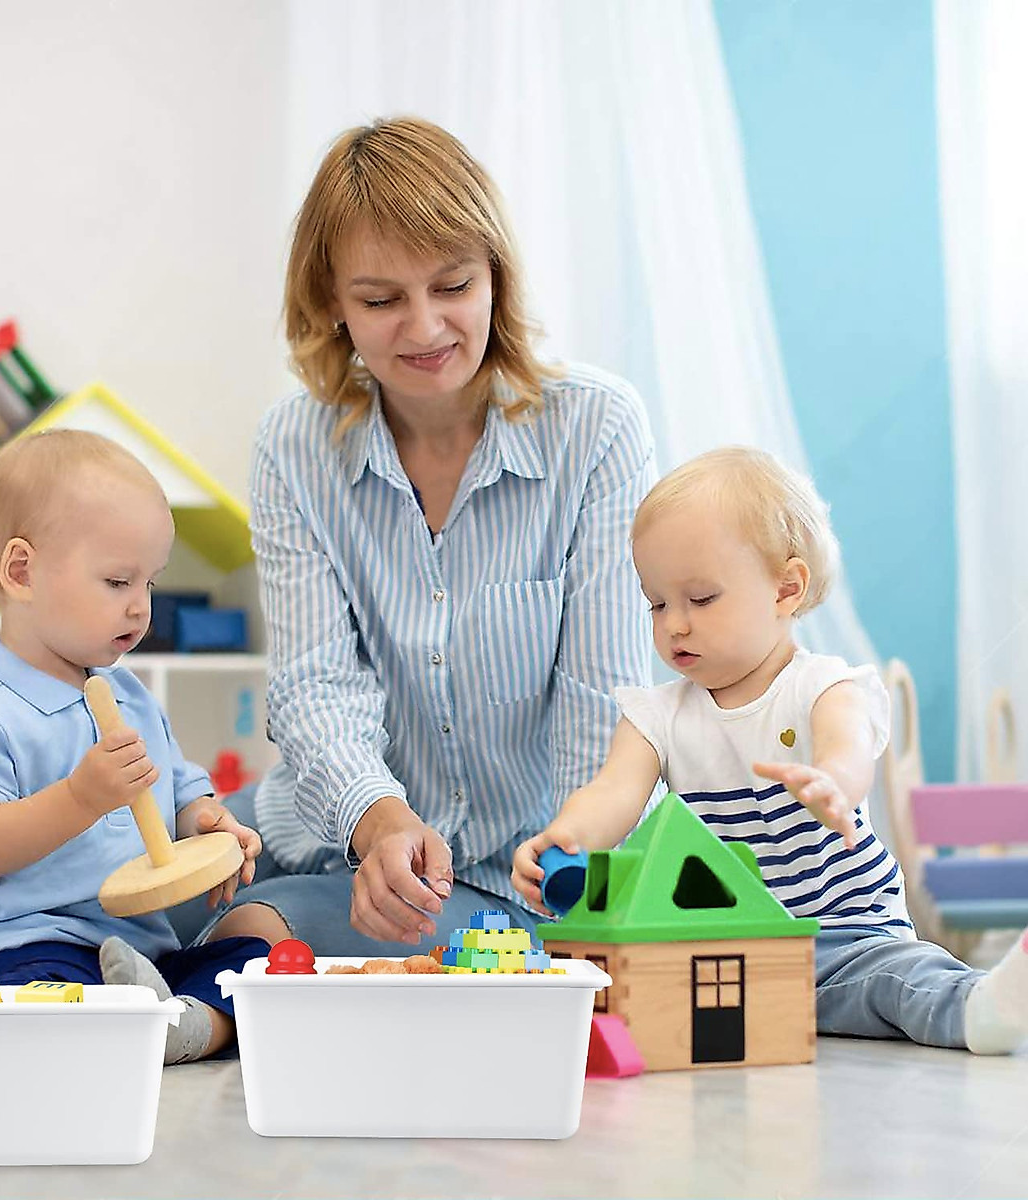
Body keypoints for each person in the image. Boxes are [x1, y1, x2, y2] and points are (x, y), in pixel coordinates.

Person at [201, 116, 657, 958]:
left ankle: (213, 984)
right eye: (380, 300)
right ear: (332, 306)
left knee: (262, 934)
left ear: (497, 279)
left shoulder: (597, 428)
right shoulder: (292, 448)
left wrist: (573, 889)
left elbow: (605, 705)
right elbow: (314, 684)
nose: (424, 328)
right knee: (128, 902)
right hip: (331, 842)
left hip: (522, 879)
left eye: (452, 286)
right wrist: (379, 820)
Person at [512, 446, 1028, 1053]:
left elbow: (849, 744)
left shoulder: (821, 685)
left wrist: (833, 781)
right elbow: (614, 791)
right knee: (626, 985)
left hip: (842, 933)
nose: (674, 624)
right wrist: (568, 838)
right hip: (726, 943)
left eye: (700, 599)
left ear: (786, 589)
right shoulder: (657, 714)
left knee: (895, 980)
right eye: (656, 603)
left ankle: (978, 1010)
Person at [0, 429, 266, 1064]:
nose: (140, 610)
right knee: (38, 998)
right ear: (22, 573)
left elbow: (179, 787)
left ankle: (180, 1026)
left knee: (253, 959)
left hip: (145, 947)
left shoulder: (128, 695)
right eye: (116, 582)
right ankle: (135, 1021)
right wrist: (80, 797)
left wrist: (207, 820)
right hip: (26, 944)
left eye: (150, 585)